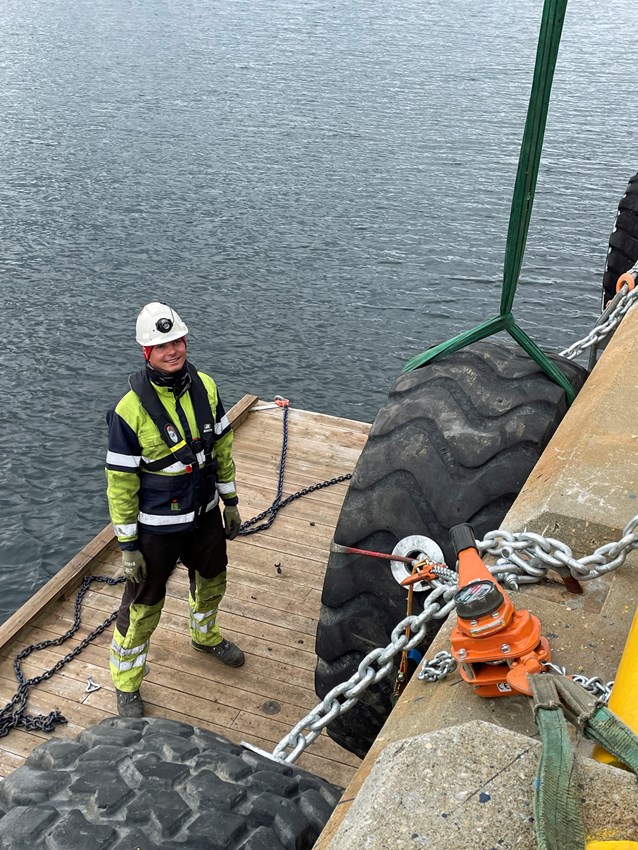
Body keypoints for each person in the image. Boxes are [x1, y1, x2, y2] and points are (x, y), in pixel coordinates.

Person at [105, 302, 244, 718]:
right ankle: (125, 682)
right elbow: (121, 483)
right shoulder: (128, 411)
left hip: (203, 517)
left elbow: (221, 449)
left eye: (177, 341)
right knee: (142, 606)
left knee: (212, 581)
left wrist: (231, 501)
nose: (173, 351)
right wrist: (127, 546)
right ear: (146, 352)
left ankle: (205, 637)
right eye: (162, 345)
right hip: (156, 530)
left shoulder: (207, 386)